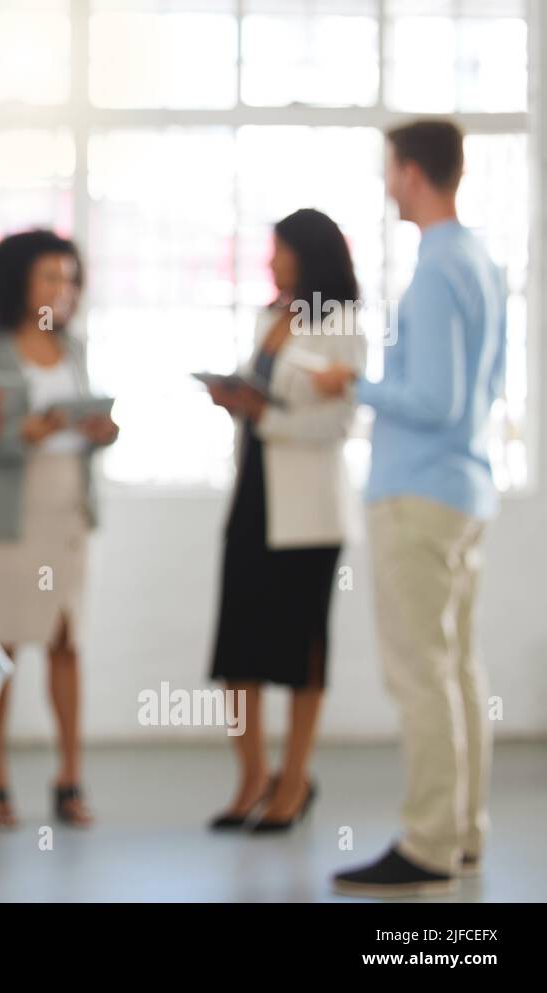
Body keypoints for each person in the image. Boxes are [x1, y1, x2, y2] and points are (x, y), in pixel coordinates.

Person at [314, 119, 506, 897]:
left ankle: (427, 841)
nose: (387, 185)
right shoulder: (481, 262)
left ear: (413, 173)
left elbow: (434, 397)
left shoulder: (434, 272)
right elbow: (478, 394)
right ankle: (461, 834)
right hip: (463, 491)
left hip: (418, 493)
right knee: (456, 668)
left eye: (390, 171)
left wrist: (349, 387)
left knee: (421, 675)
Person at [205, 209, 366, 833]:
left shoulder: (343, 325)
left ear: (308, 254)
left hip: (308, 511)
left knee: (301, 652)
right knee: (238, 646)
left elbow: (338, 422)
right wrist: (236, 402)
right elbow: (265, 399)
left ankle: (294, 782)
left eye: (279, 251)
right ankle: (252, 775)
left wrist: (264, 418)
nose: (270, 262)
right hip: (253, 495)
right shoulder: (272, 316)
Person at [0, 230, 118, 828]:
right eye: (50, 277)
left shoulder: (74, 350)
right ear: (18, 283)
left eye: (70, 278)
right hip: (7, 520)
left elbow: (83, 429)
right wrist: (24, 434)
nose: (63, 290)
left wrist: (101, 434)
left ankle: (70, 778)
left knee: (66, 644)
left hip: (66, 514)